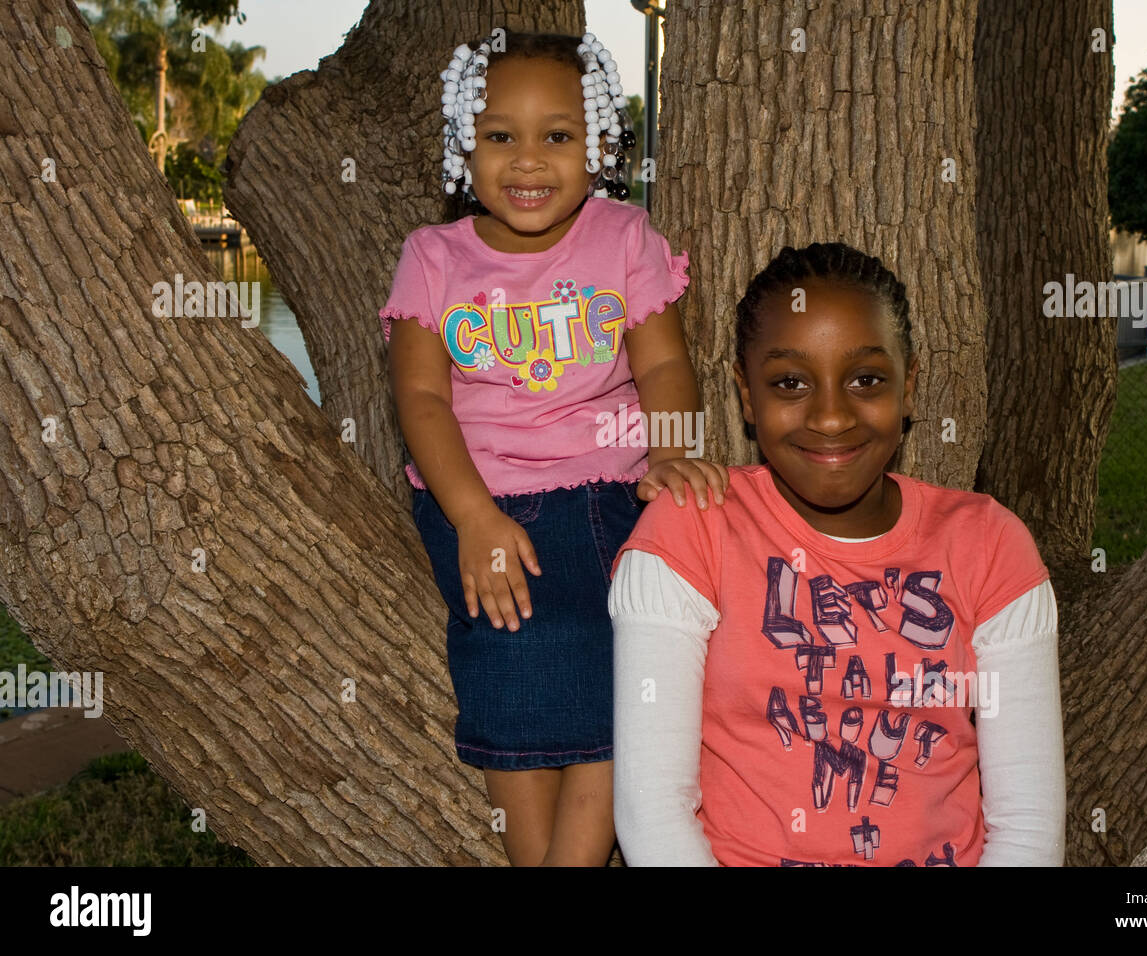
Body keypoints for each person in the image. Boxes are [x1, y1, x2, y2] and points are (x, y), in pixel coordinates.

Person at [382, 30, 728, 867]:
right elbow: (420, 399)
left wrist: (670, 454)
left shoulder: (621, 239)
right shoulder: (434, 257)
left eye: (558, 137)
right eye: (500, 135)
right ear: (465, 145)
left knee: (627, 669)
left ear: (599, 145)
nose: (527, 161)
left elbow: (664, 362)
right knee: (512, 647)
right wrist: (471, 517)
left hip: (608, 488)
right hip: (481, 497)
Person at [609, 243, 1066, 866]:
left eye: (866, 380)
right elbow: (652, 809)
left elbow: (1030, 825)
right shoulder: (692, 531)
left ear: (910, 386)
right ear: (746, 396)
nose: (829, 417)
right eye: (790, 383)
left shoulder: (989, 543)